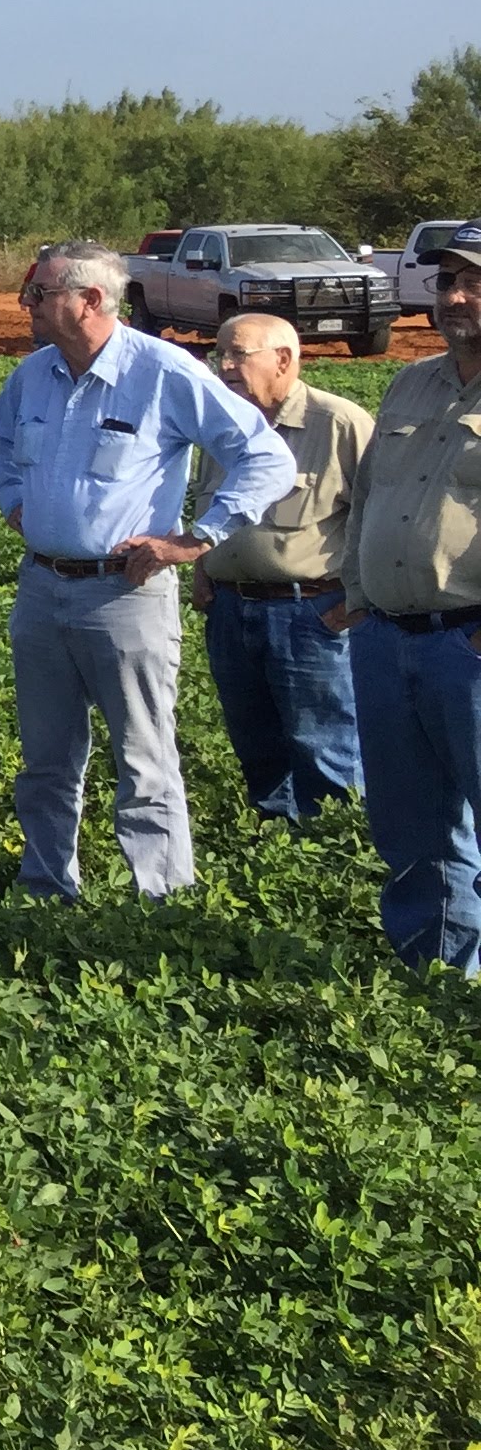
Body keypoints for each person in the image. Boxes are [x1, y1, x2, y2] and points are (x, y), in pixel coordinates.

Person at [0, 241, 293, 904]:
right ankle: (44, 888)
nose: (27, 305)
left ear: (89, 300)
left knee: (144, 759)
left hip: (125, 593)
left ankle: (163, 902)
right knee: (45, 760)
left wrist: (195, 539)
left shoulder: (163, 371)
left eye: (39, 294)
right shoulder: (33, 374)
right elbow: (0, 443)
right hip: (41, 589)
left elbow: (266, 458)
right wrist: (17, 505)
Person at [335, 221, 481, 969]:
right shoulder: (410, 381)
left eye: (473, 282)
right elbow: (365, 498)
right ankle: (436, 968)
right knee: (410, 821)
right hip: (388, 640)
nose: (455, 296)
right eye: (447, 281)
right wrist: (360, 599)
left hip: (470, 645)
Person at [193, 311, 369, 822]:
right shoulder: (223, 426)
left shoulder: (339, 424)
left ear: (284, 359)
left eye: (237, 355)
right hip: (230, 612)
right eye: (218, 354)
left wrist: (353, 604)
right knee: (256, 745)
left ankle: (332, 859)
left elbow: (379, 517)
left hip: (311, 614)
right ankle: (275, 850)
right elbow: (210, 510)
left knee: (324, 747)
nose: (224, 366)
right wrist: (204, 570)